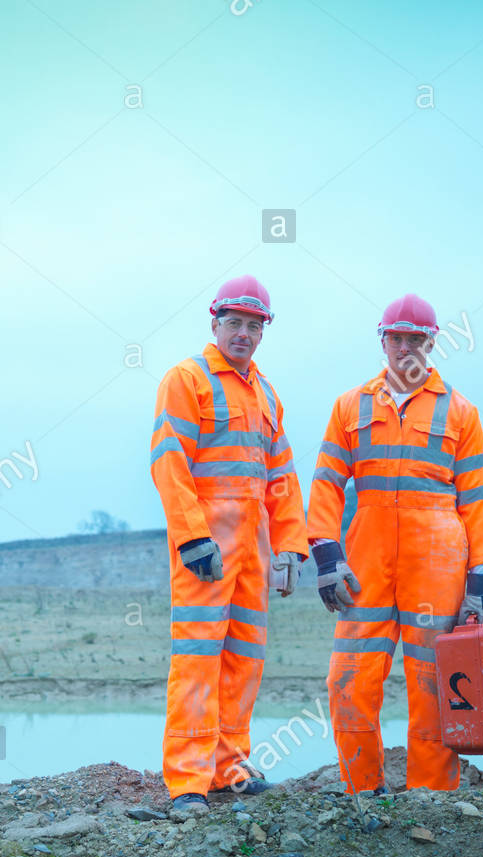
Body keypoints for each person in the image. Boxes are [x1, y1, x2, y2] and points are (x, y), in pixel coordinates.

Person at [306, 293, 483, 793]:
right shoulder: (350, 406)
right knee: (347, 682)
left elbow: (478, 499)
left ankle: (431, 802)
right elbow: (327, 483)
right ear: (383, 340)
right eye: (397, 339)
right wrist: (326, 554)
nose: (406, 349)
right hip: (368, 562)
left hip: (437, 564)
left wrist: (481, 582)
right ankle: (361, 795)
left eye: (416, 340)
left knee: (437, 686)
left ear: (431, 343)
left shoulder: (461, 412)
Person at [149, 275, 308, 817]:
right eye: (234, 323)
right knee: (198, 658)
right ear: (214, 324)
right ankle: (188, 781)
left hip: (255, 552)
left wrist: (291, 546)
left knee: (244, 659)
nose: (243, 333)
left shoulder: (266, 394)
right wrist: (192, 536)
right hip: (206, 549)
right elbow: (168, 460)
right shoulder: (187, 379)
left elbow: (282, 478)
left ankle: (230, 768)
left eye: (253, 325)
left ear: (263, 331)